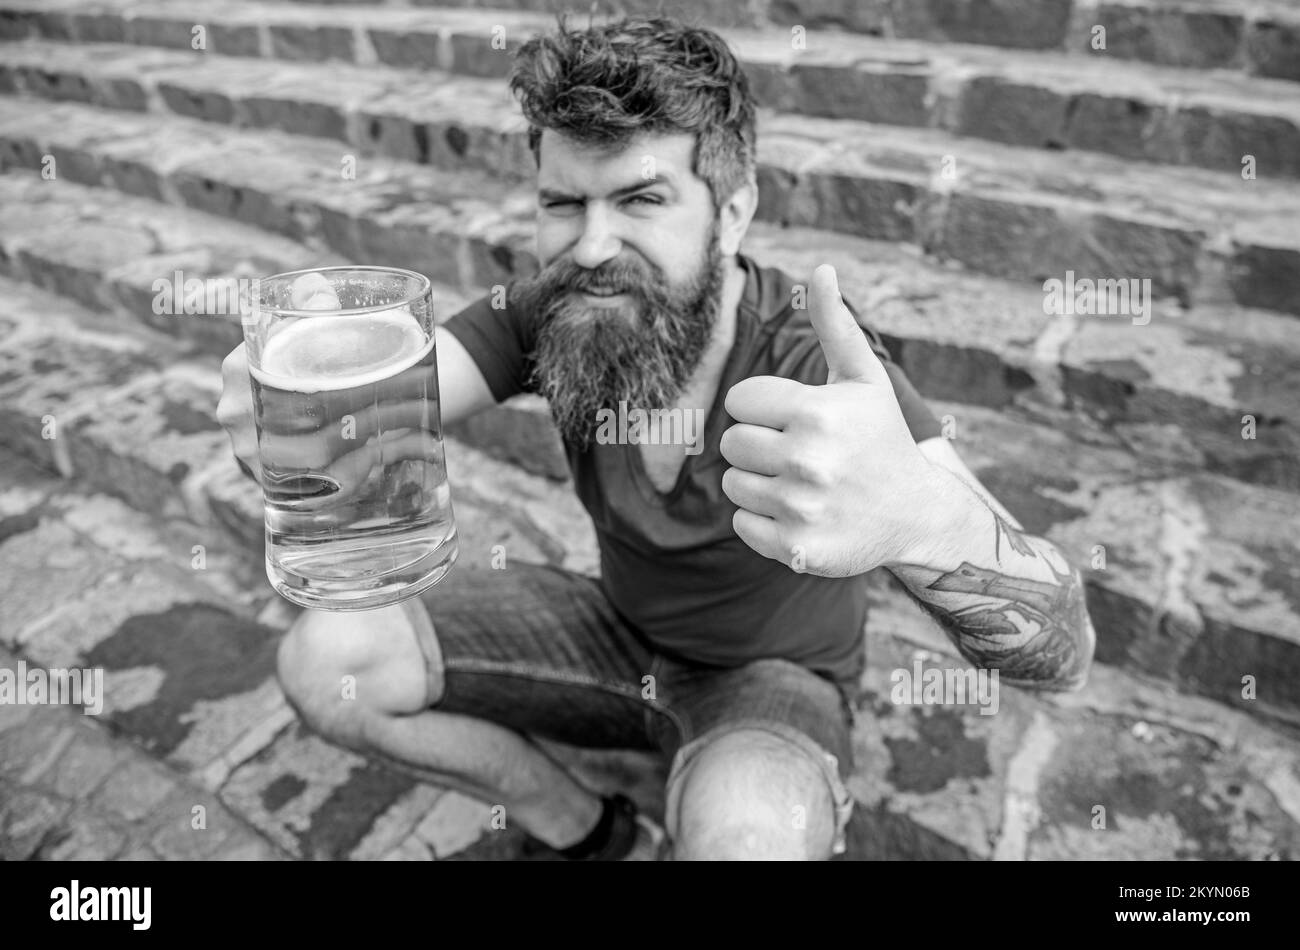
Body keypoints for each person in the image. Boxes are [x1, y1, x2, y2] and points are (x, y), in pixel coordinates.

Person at [216, 14, 1096, 861]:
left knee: (748, 840)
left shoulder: (811, 359)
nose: (594, 245)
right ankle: (584, 831)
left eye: (641, 198)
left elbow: (1062, 651)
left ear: (735, 211)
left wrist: (922, 516)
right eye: (563, 202)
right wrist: (310, 408)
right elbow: (389, 403)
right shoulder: (558, 306)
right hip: (610, 633)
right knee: (328, 656)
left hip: (772, 678)